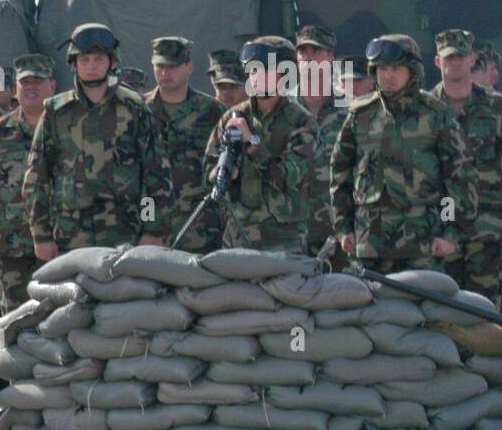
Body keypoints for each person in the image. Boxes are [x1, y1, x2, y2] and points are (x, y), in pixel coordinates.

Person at [330, 34, 476, 273]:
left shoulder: (435, 115)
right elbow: (340, 174)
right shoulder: (361, 115)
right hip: (369, 242)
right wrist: (343, 228)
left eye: (396, 69)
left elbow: (457, 180)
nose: (388, 76)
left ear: (412, 71)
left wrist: (449, 231)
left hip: (423, 243)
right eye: (383, 69)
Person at [23, 24, 167, 259]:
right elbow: (36, 177)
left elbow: (155, 174)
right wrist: (42, 234)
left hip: (125, 232)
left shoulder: (134, 108)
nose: (91, 66)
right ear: (74, 64)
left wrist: (152, 228)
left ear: (112, 63)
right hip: (70, 235)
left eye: (98, 59)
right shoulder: (56, 112)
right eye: (85, 60)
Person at [430, 28, 502, 305]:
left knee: (489, 312)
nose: (455, 63)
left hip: (489, 229)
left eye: (461, 56)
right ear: (438, 62)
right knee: (444, 310)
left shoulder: (500, 108)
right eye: (449, 58)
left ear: (472, 59)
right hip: (442, 226)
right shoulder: (426, 110)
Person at [204, 37, 314, 251]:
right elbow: (208, 167)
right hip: (237, 235)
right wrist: (224, 171)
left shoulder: (301, 121)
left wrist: (253, 142)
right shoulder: (232, 117)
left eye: (263, 71)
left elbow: (289, 177)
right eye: (252, 71)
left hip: (283, 240)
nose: (255, 77)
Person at [0, 54, 57, 313]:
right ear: (15, 88)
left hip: (60, 245)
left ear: (52, 85)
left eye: (37, 81)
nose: (30, 87)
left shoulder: (67, 126)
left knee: (62, 320)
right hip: (13, 248)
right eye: (24, 82)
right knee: (16, 322)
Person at [143, 37, 225, 252]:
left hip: (200, 228)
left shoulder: (213, 112)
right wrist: (148, 227)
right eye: (160, 66)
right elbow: (137, 178)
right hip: (152, 228)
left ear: (188, 67)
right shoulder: (138, 111)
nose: (165, 72)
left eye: (172, 66)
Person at [294, 25, 346, 261]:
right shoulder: (282, 111)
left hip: (338, 232)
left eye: (316, 51)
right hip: (291, 231)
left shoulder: (352, 112)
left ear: (330, 58)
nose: (309, 58)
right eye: (303, 52)